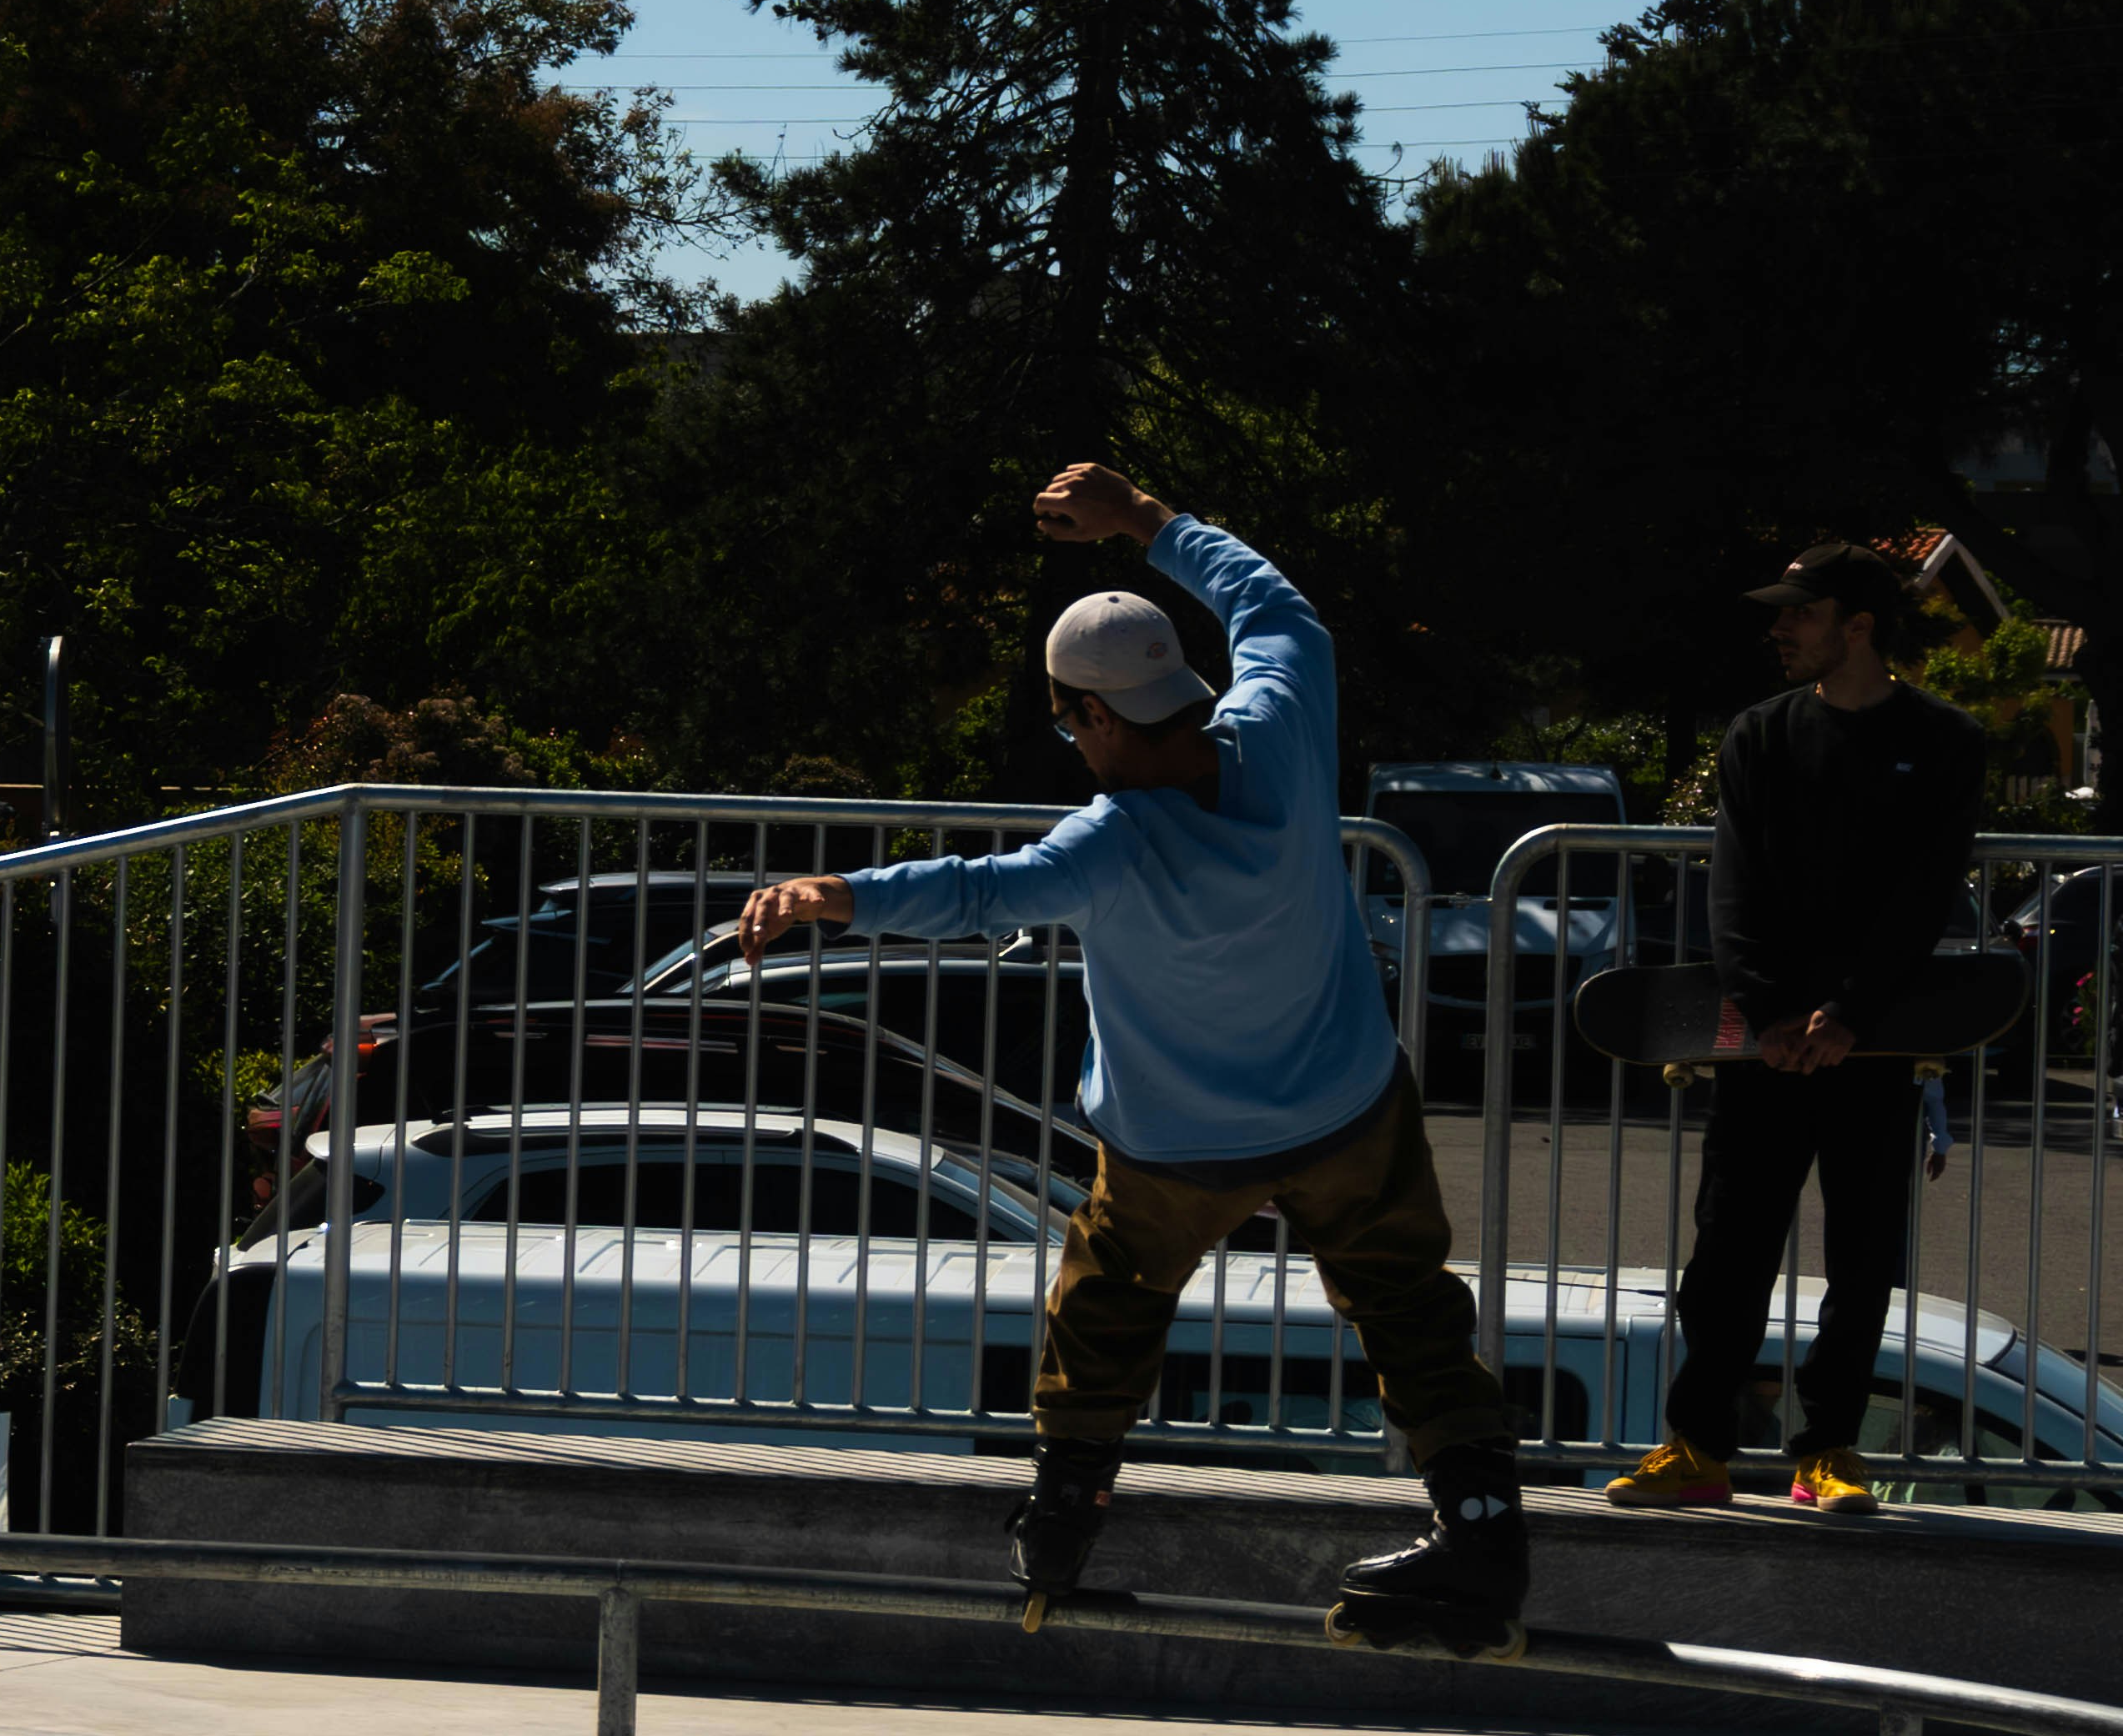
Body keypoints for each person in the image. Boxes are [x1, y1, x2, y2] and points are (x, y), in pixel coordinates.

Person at [735, 458, 1533, 1660]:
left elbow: (976, 890)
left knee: (1107, 1301)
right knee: (1411, 1310)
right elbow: (1276, 608)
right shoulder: (1283, 719)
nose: (1073, 744)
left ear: (1098, 716)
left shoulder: (1108, 841)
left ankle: (1065, 1510)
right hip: (1346, 1112)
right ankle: (1481, 1534)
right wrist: (1144, 520)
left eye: (1069, 722)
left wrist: (832, 894)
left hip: (1178, 1151)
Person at [1609, 536, 1983, 1523]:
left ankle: (1826, 1450)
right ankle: (1697, 1447)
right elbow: (1734, 888)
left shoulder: (1942, 740)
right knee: (1727, 1251)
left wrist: (1851, 1013)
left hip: (1877, 1039)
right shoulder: (1759, 735)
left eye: (1799, 613)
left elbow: (1921, 893)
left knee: (1862, 1257)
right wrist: (1772, 1011)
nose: (1778, 628)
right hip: (1763, 1041)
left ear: (1856, 627)